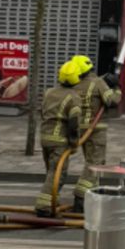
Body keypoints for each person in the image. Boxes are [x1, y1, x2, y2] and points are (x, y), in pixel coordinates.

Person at [70, 55, 121, 214]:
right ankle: (81, 194)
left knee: (90, 161)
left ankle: (94, 193)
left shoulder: (75, 84)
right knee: (95, 163)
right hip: (95, 129)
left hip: (78, 128)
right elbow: (112, 101)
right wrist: (116, 87)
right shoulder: (98, 83)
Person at [34, 60, 83, 218]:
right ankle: (44, 205)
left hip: (44, 137)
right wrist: (74, 141)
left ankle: (53, 201)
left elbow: (42, 112)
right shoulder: (74, 97)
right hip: (59, 140)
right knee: (58, 173)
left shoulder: (49, 92)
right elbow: (74, 122)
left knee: (50, 171)